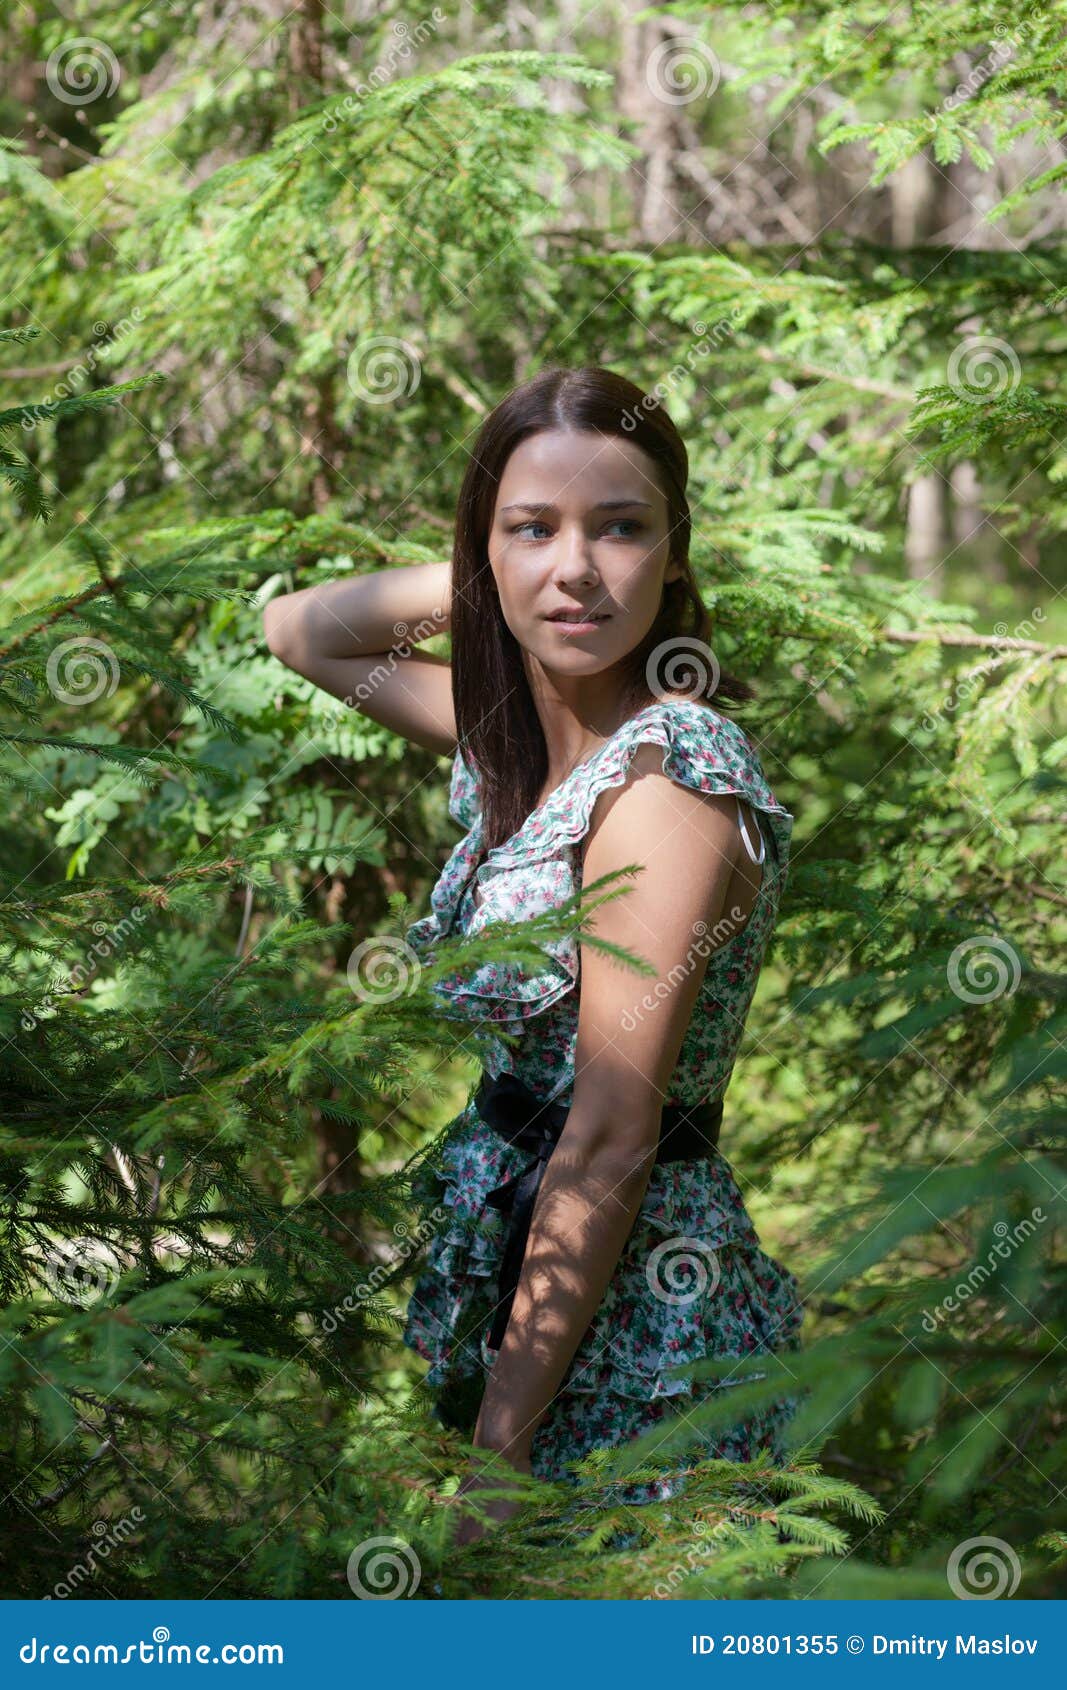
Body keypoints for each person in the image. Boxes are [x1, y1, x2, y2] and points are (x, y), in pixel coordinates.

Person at [262, 364, 804, 1551]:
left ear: (673, 554)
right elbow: (299, 629)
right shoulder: (521, 744)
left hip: (633, 1339)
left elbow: (610, 1131)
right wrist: (486, 572)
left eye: (620, 528)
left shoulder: (669, 770)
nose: (576, 568)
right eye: (533, 529)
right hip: (525, 1306)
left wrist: (498, 1456)